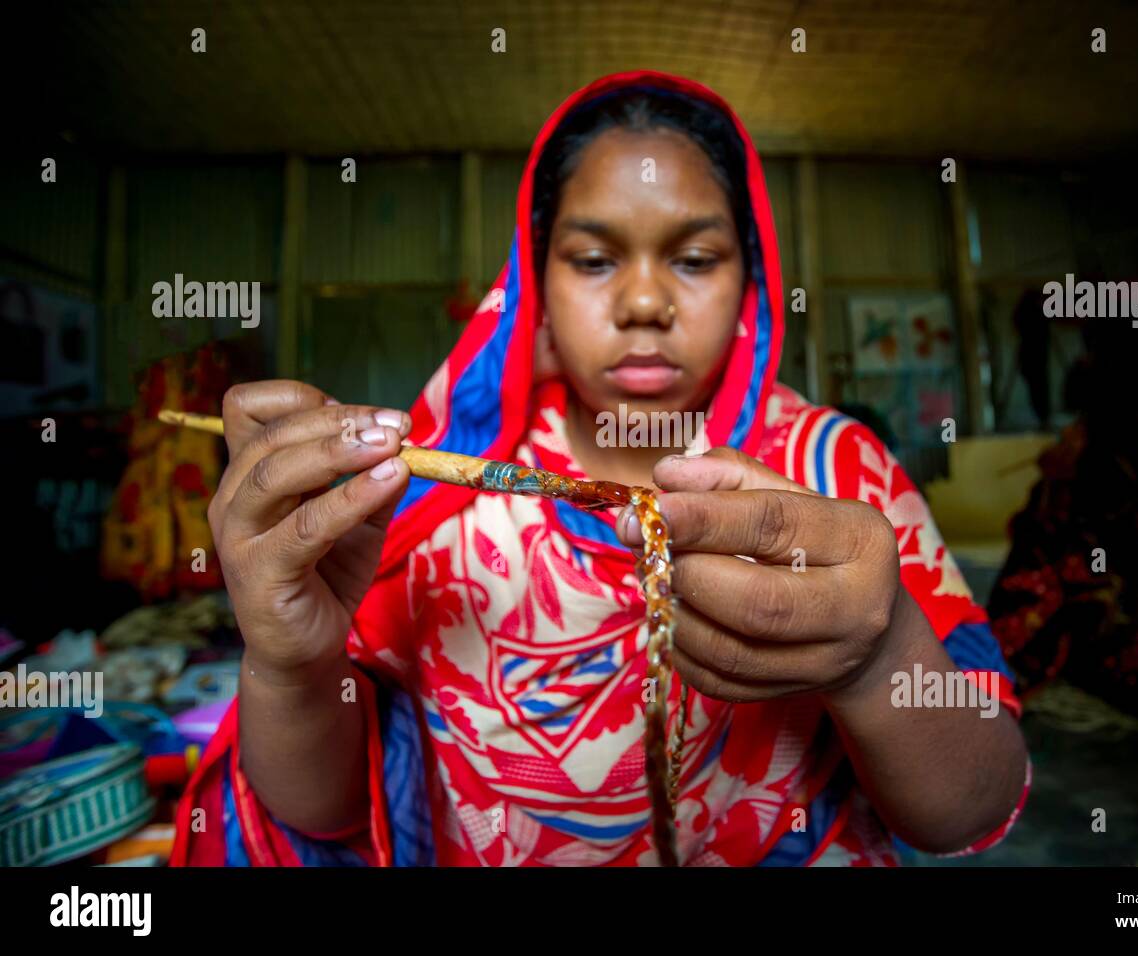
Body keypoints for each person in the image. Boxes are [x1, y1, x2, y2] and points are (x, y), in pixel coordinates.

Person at [171, 70, 1028, 867]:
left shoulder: (837, 475)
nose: (646, 303)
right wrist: (290, 665)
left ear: (752, 280)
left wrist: (875, 662)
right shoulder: (433, 495)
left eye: (694, 259)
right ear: (535, 283)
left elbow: (969, 812)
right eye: (593, 259)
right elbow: (331, 817)